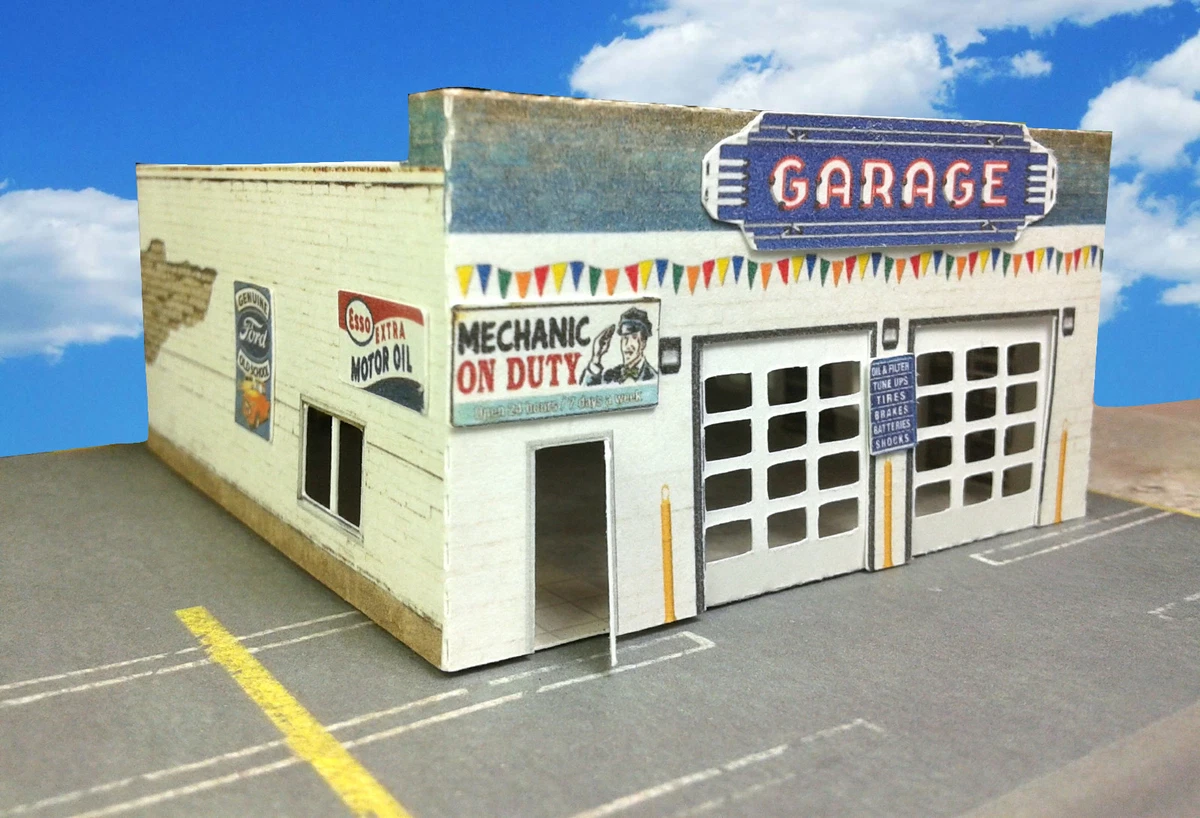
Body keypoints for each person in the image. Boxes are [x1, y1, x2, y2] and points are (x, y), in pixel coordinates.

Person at [584, 307, 658, 385]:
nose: (627, 345)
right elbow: (588, 391)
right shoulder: (610, 376)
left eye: (634, 337)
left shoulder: (653, 378)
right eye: (625, 337)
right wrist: (596, 357)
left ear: (643, 343)